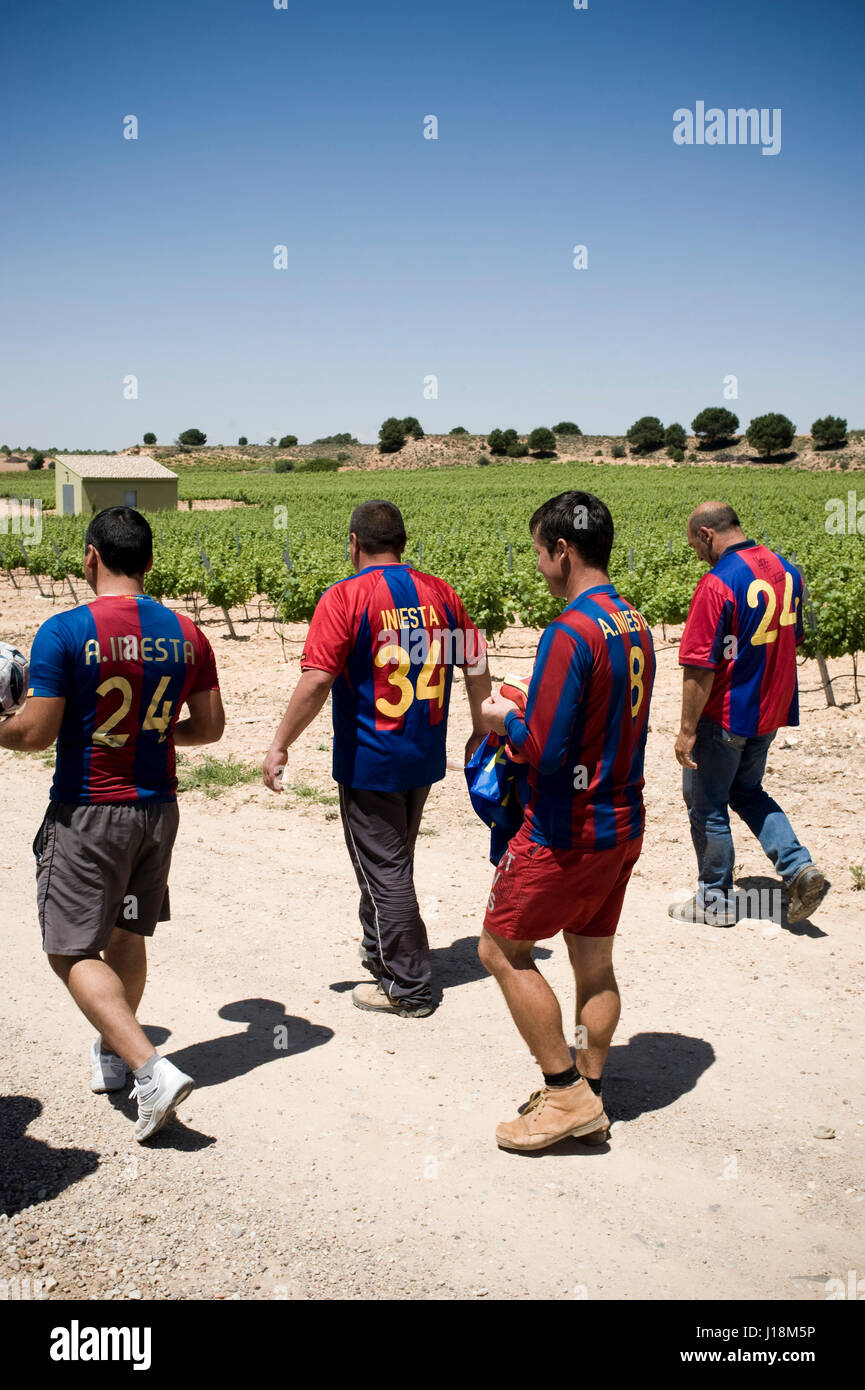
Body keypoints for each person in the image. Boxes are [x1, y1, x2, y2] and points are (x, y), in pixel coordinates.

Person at [0, 508, 224, 1142]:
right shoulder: (188, 633)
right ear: (149, 563)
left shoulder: (65, 631)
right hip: (158, 810)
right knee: (128, 929)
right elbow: (208, 728)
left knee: (69, 948)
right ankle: (115, 1053)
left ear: (91, 556)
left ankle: (149, 1066)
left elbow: (37, 732)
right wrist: (148, 733)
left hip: (89, 809)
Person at [264, 500, 490, 1016]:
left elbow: (318, 678)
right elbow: (475, 660)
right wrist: (480, 729)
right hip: (423, 754)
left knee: (384, 871)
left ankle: (408, 988)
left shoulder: (345, 597)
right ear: (404, 545)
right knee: (391, 863)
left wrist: (280, 743)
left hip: (371, 760)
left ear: (353, 543)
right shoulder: (441, 594)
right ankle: (380, 951)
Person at [480, 491, 655, 1152]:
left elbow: (544, 751)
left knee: (499, 950)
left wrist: (505, 718)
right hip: (621, 821)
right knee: (593, 964)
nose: (537, 567)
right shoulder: (634, 624)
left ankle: (561, 1095)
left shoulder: (568, 631)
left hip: (563, 830)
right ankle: (591, 1089)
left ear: (562, 549)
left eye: (538, 553)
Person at [671, 501, 828, 926]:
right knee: (747, 791)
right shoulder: (787, 570)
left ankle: (715, 900)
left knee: (708, 805)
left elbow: (700, 665)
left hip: (725, 714)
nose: (698, 555)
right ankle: (799, 868)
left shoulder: (717, 584)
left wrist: (687, 731)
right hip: (771, 708)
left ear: (707, 534)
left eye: (695, 546)